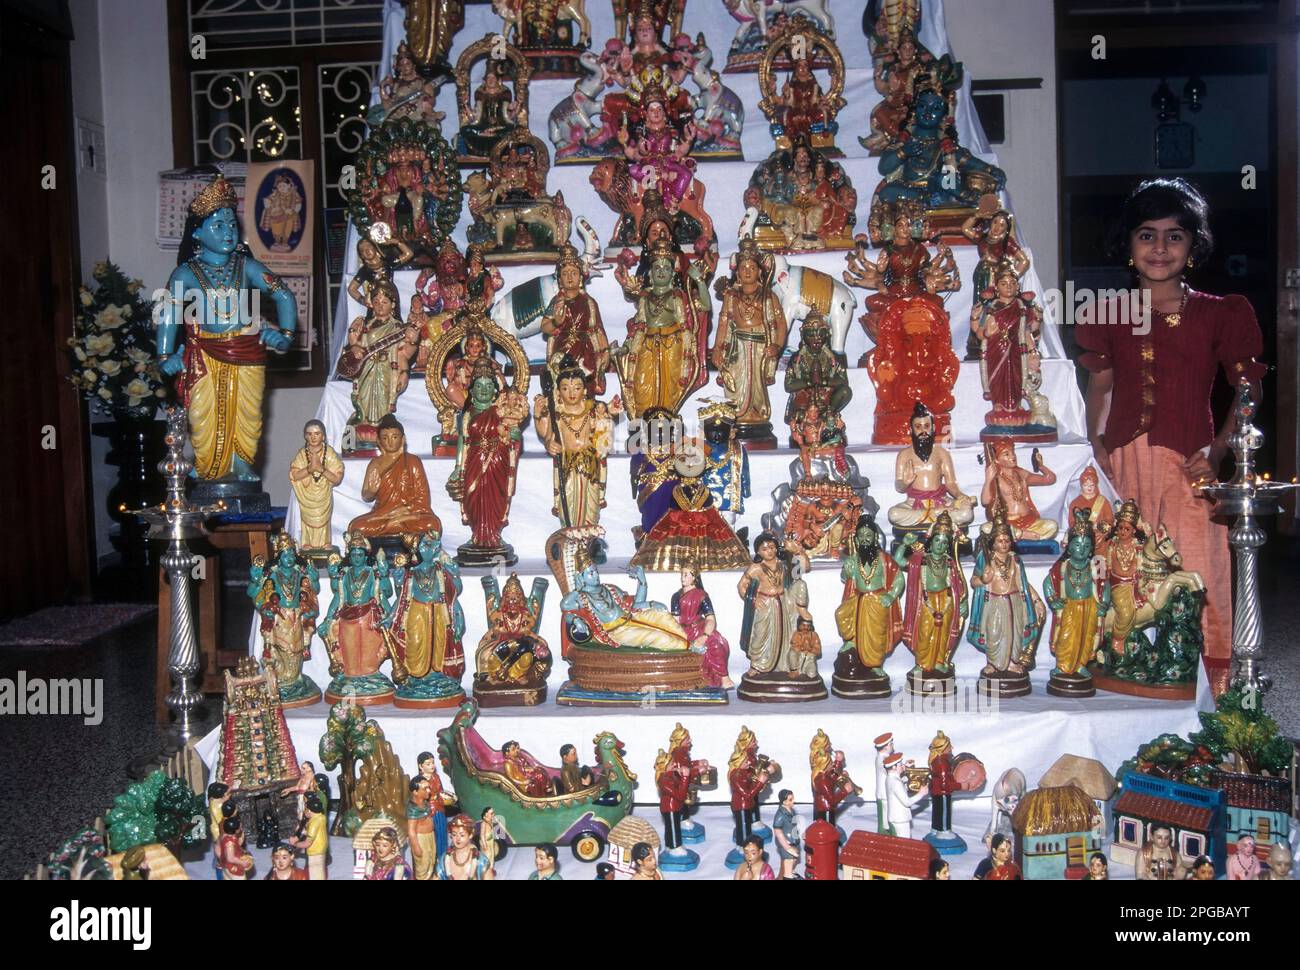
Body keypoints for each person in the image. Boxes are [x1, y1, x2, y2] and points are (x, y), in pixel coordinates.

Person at [1077, 178, 1264, 691]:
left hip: (1190, 463)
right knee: (1126, 575)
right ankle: (1130, 677)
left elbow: (1248, 391)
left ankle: (1212, 694)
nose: (1160, 248)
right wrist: (1096, 447)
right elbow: (1102, 386)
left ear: (1194, 244)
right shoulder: (1108, 312)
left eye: (1174, 236)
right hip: (1125, 464)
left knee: (1198, 568)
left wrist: (1219, 448)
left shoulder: (1220, 312)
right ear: (1128, 245)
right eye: (1146, 235)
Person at [348, 414, 443, 538]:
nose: (390, 441)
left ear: (403, 439)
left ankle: (392, 526)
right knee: (355, 526)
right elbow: (366, 495)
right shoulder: (375, 464)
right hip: (383, 515)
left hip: (408, 514)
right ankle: (394, 525)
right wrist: (371, 491)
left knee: (433, 524)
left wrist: (406, 510)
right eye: (385, 437)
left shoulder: (413, 461)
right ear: (378, 440)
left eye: (394, 437)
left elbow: (422, 498)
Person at [289, 420, 344, 551]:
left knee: (324, 519)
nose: (313, 437)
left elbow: (337, 478)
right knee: (307, 519)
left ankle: (325, 542)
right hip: (307, 496)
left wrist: (321, 469)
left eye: (317, 434)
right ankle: (306, 542)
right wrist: (309, 469)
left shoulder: (329, 453)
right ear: (305, 436)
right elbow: (294, 474)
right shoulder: (302, 454)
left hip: (323, 495)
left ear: (323, 436)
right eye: (309, 434)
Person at [289, 794, 328, 880]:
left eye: (306, 809)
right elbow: (315, 832)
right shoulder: (321, 817)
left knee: (315, 873)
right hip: (321, 848)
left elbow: (307, 843)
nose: (305, 811)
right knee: (318, 870)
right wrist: (303, 832)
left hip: (315, 851)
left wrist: (295, 844)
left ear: (310, 811)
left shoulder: (314, 823)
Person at [771, 789, 800, 879]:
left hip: (794, 839)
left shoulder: (792, 811)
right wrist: (787, 846)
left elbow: (794, 825)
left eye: (793, 798)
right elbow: (778, 831)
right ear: (784, 801)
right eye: (790, 800)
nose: (793, 801)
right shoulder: (780, 814)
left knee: (795, 858)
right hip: (785, 841)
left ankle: (791, 872)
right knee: (789, 859)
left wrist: (798, 836)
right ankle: (787, 875)